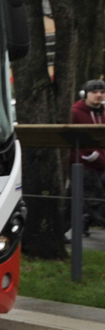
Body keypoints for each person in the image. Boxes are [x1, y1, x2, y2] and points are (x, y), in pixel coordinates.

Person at [72, 80, 105, 229]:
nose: (99, 95)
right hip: (83, 164)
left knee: (71, 201)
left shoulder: (103, 112)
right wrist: (93, 156)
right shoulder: (75, 112)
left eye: (102, 92)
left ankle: (83, 221)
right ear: (84, 94)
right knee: (95, 201)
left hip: (100, 163)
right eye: (94, 92)